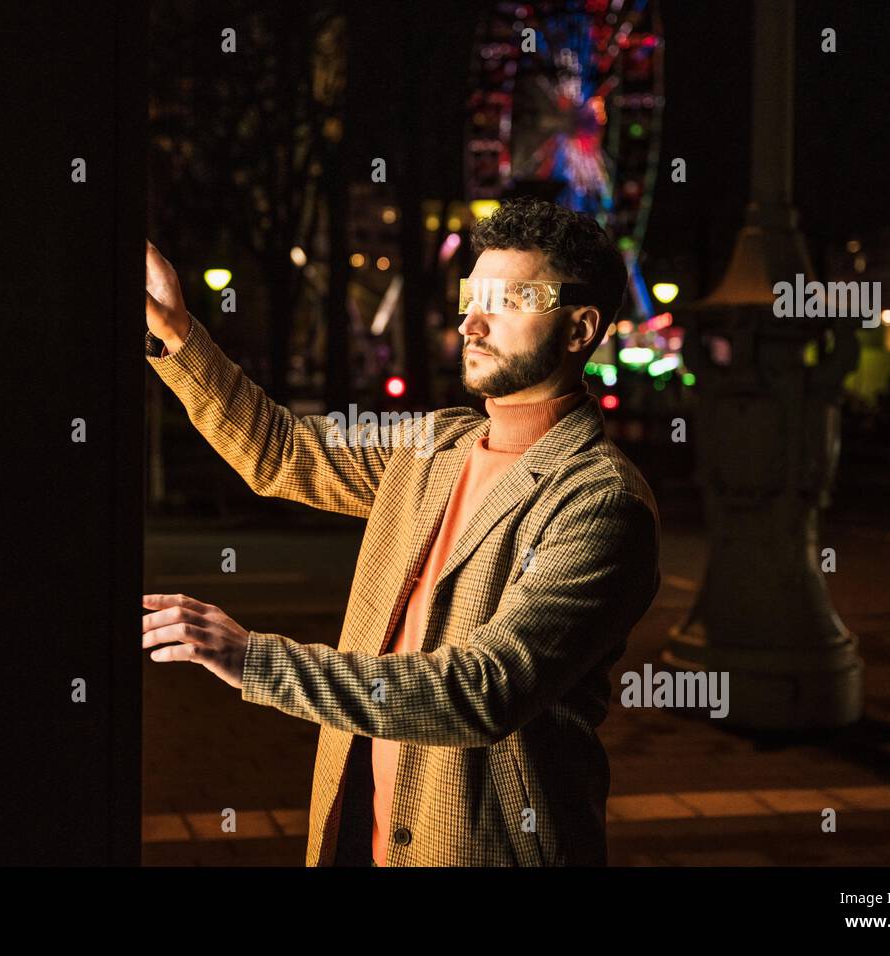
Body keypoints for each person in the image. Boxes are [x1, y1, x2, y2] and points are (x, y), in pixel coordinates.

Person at [140, 197, 661, 866]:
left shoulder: (600, 500)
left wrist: (254, 659)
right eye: (472, 296)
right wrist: (177, 333)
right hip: (361, 830)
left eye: (507, 301)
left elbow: (481, 690)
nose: (472, 322)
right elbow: (281, 451)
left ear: (579, 327)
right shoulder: (436, 442)